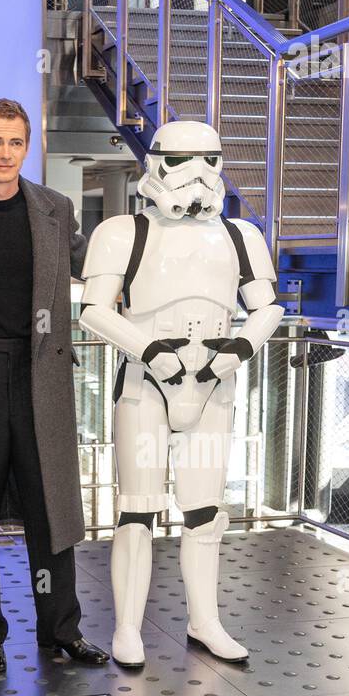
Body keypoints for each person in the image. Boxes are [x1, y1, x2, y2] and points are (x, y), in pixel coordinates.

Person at [80, 120, 284, 666]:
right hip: (145, 383)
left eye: (208, 159)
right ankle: (127, 628)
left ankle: (205, 620)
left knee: (205, 512)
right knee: (137, 510)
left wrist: (238, 349)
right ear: (156, 163)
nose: (196, 173)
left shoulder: (242, 236)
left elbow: (268, 306)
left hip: (213, 383)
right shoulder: (122, 232)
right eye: (181, 160)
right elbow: (95, 309)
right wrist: (150, 352)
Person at [0, 99, 108, 674]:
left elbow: (95, 268)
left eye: (14, 143)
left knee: (50, 509)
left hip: (41, 378)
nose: (4, 154)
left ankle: (62, 630)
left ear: (25, 148)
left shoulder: (54, 209)